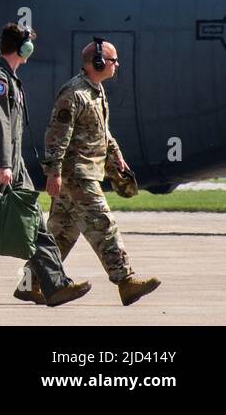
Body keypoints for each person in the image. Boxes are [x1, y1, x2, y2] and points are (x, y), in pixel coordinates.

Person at [0, 24, 91, 308]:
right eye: (29, 44)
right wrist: (3, 164)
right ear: (23, 49)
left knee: (33, 221)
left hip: (10, 162)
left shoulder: (9, 79)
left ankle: (55, 285)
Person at [15, 38, 160, 306]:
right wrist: (54, 172)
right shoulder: (74, 93)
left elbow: (102, 132)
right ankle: (126, 282)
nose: (117, 65)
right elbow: (56, 136)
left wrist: (116, 156)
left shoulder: (96, 91)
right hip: (76, 175)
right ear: (98, 62)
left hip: (87, 171)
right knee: (103, 225)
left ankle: (30, 283)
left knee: (60, 234)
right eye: (113, 60)